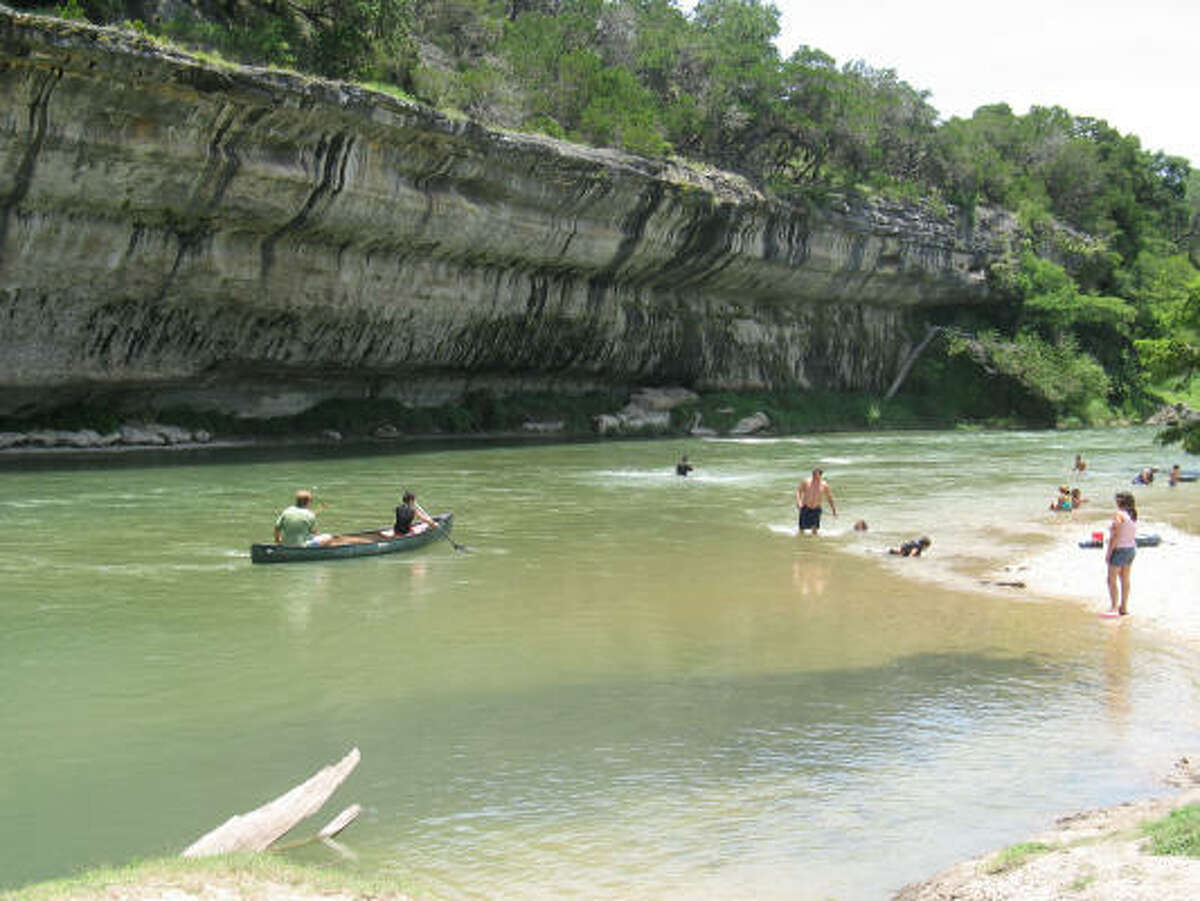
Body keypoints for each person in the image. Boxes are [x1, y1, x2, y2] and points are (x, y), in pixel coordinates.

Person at [1106, 491, 1138, 616]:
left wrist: (1109, 552)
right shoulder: (1132, 515)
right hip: (1131, 549)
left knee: (1111, 579)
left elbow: (1116, 535)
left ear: (1120, 502)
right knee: (1125, 579)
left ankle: (1114, 607)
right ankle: (1123, 607)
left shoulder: (1119, 514)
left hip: (1119, 549)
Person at [796, 467, 837, 535]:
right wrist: (798, 502)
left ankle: (814, 543)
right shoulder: (806, 482)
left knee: (815, 529)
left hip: (816, 508)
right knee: (802, 528)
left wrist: (834, 510)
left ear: (820, 476)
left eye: (816, 475)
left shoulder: (824, 485)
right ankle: (801, 542)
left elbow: (829, 498)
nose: (814, 477)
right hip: (806, 507)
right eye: (813, 475)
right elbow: (798, 491)